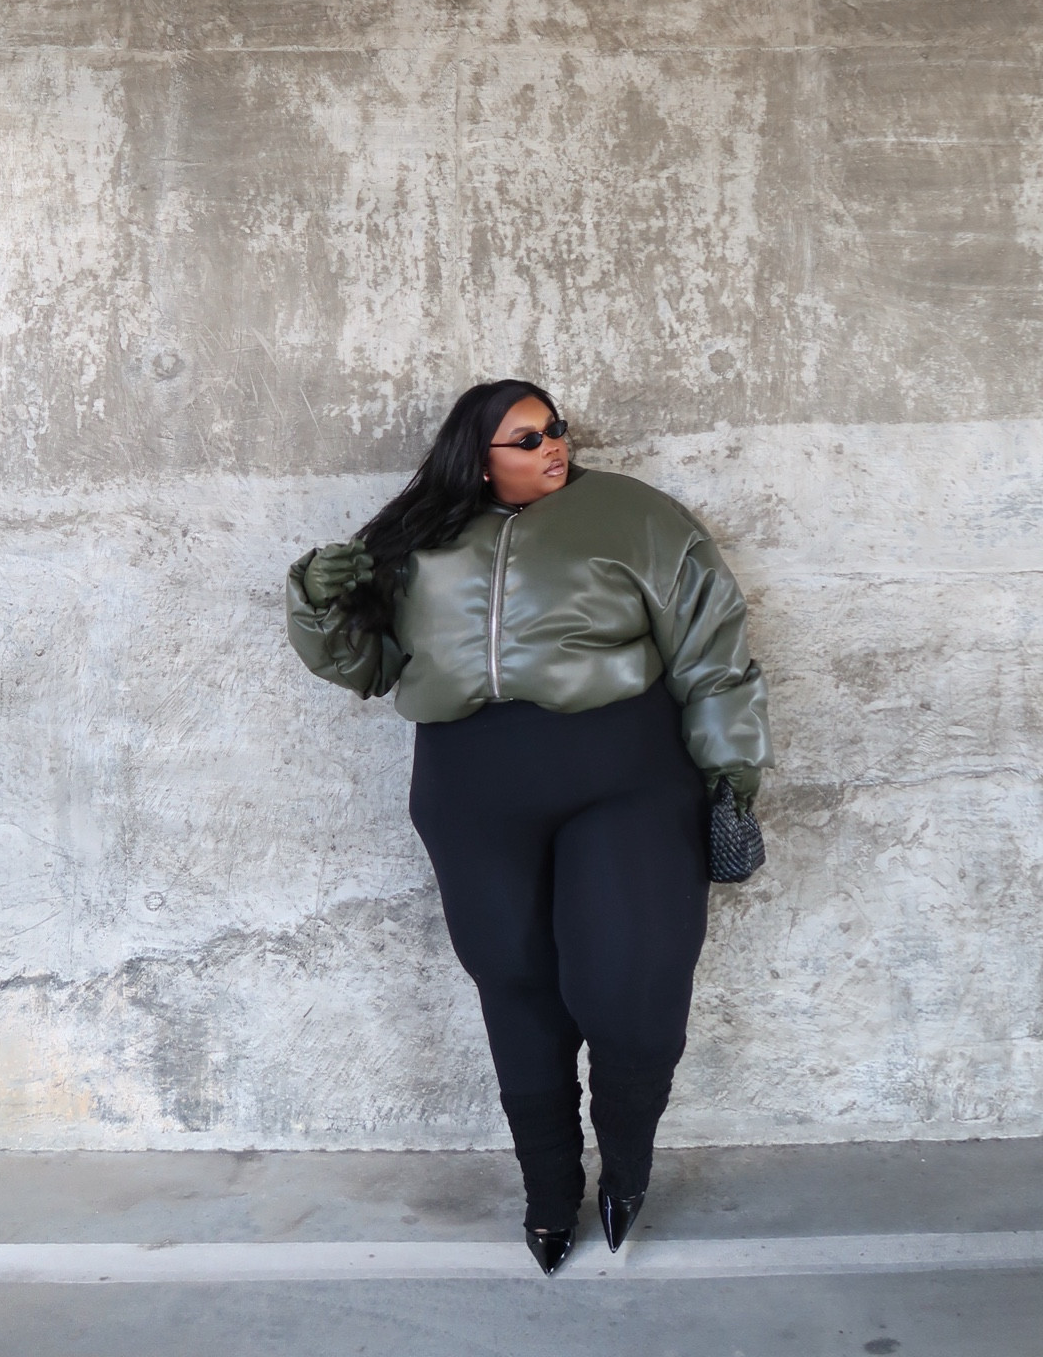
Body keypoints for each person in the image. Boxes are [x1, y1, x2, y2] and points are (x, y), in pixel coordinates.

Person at [285, 379, 772, 1273]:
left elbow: (713, 653)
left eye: (556, 429)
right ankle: (548, 1192)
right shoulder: (415, 539)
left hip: (624, 778)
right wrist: (318, 603)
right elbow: (368, 666)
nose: (555, 446)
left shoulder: (636, 517)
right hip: (470, 786)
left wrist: (731, 772)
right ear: (478, 460)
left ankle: (627, 1167)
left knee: (630, 988)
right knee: (514, 984)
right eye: (528, 437)